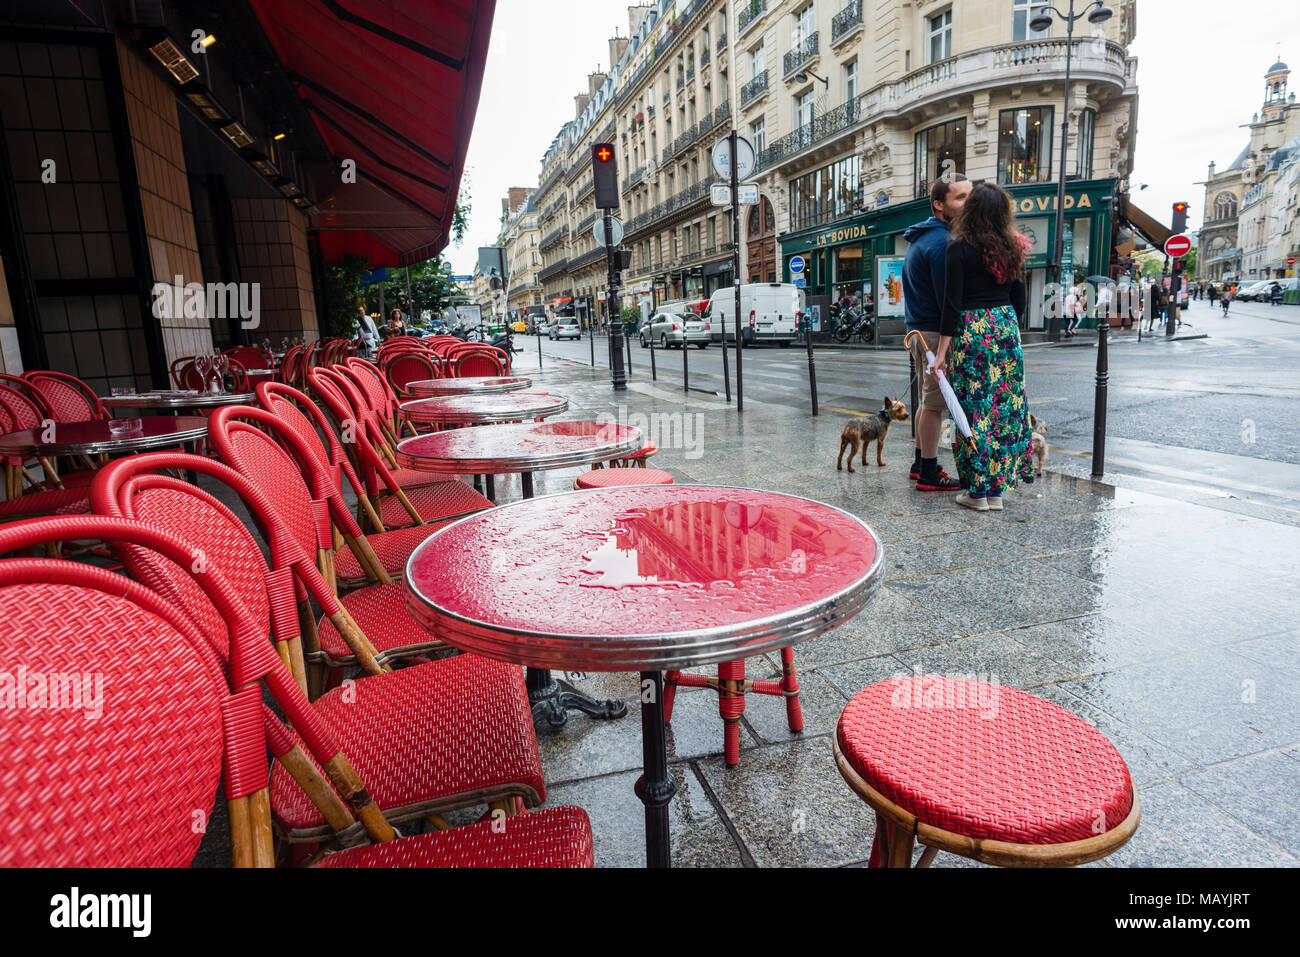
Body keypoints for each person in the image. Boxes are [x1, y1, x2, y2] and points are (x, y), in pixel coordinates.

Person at [930, 182, 1032, 511]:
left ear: (971, 210)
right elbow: (1020, 300)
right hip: (1005, 328)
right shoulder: (1013, 246)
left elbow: (952, 304)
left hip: (972, 331)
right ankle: (997, 492)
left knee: (973, 410)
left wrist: (942, 354)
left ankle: (976, 493)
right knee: (1004, 410)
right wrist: (1003, 326)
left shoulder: (958, 247)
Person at [902, 173, 971, 492]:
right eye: (961, 198)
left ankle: (921, 462)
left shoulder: (922, 237)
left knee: (924, 401)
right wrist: (945, 346)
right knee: (933, 404)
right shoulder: (943, 243)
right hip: (932, 332)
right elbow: (949, 300)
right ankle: (929, 472)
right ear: (939, 205)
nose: (968, 202)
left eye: (970, 195)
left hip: (918, 330)